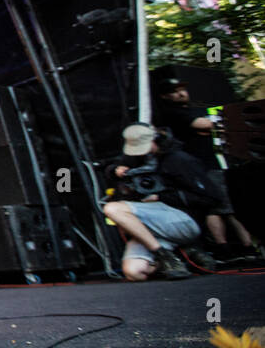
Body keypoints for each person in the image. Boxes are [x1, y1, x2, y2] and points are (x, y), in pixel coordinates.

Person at [153, 76, 257, 256]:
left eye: (181, 89)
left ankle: (245, 246)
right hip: (202, 165)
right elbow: (205, 124)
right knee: (218, 206)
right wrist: (216, 124)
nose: (181, 93)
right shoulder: (173, 113)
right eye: (174, 91)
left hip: (218, 161)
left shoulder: (192, 109)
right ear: (165, 96)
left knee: (230, 204)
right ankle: (229, 247)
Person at [101, 123, 218, 281]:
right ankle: (178, 256)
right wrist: (116, 170)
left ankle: (165, 255)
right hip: (154, 228)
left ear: (157, 140)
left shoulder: (179, 160)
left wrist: (162, 197)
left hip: (183, 219)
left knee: (113, 209)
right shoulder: (136, 159)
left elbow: (211, 198)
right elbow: (114, 170)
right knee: (134, 272)